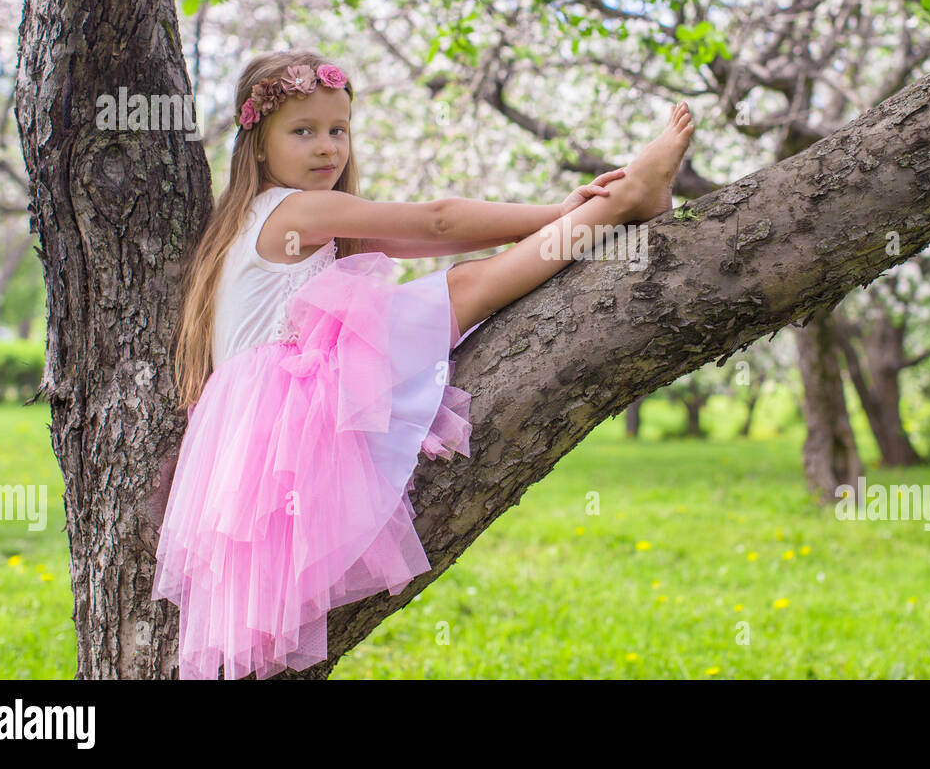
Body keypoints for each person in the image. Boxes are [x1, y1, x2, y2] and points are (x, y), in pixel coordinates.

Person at [152, 48, 695, 680]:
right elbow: (437, 221)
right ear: (259, 146)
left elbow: (421, 235)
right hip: (291, 402)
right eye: (302, 132)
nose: (327, 147)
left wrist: (555, 214)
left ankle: (622, 202)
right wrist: (562, 215)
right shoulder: (296, 209)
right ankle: (627, 200)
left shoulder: (250, 217)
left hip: (261, 427)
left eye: (338, 130)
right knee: (463, 289)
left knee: (462, 286)